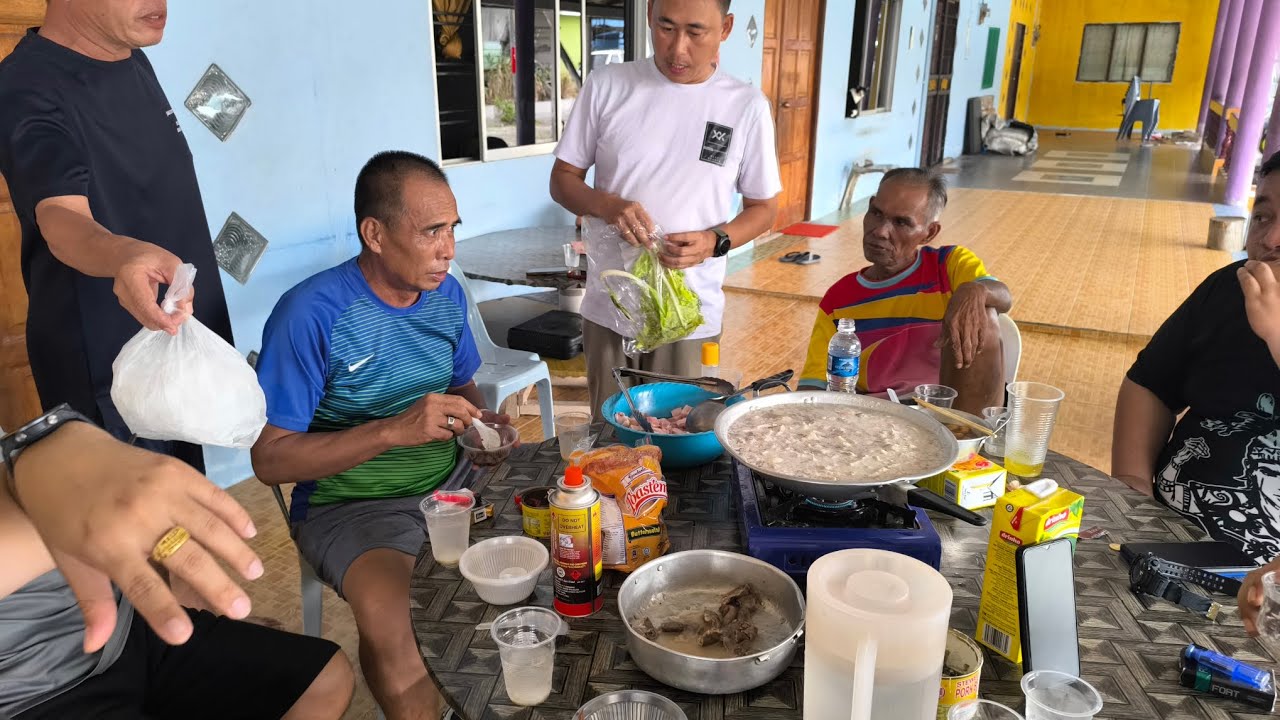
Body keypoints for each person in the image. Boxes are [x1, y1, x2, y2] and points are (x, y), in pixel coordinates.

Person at [251, 151, 510, 720]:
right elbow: (269, 461)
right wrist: (392, 431)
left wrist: (486, 425)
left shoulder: (445, 295)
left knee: (570, 546)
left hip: (457, 483)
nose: (448, 250)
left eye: (452, 229)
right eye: (431, 232)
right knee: (401, 636)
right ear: (374, 233)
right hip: (355, 504)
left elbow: (465, 388)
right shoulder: (311, 315)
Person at [0, 0, 230, 471]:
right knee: (142, 533)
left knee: (186, 498)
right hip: (109, 367)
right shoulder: (24, 85)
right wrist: (123, 256)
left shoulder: (132, 58)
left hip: (171, 343)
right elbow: (61, 220)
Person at [1, 413, 353, 719]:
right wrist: (43, 466)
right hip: (28, 692)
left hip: (126, 626)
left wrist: (42, 457)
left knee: (324, 679)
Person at [549, 0, 782, 420]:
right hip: (611, 307)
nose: (677, 49)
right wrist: (608, 205)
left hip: (689, 312)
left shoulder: (745, 106)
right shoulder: (608, 86)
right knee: (611, 434)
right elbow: (562, 179)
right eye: (666, 27)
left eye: (696, 32)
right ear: (650, 17)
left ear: (725, 28)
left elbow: (765, 208)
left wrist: (716, 241)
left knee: (680, 431)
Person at [1113, 151, 1280, 564]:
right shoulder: (1228, 290)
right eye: (1263, 216)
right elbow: (1151, 383)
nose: (1272, 238)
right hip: (1168, 531)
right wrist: (1132, 483)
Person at [798, 169, 1012, 414]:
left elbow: (1003, 296)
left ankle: (972, 440)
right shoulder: (839, 300)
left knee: (981, 309)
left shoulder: (949, 266)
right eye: (876, 213)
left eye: (901, 223)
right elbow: (812, 388)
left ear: (929, 233)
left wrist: (973, 290)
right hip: (873, 422)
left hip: (947, 417)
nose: (880, 231)